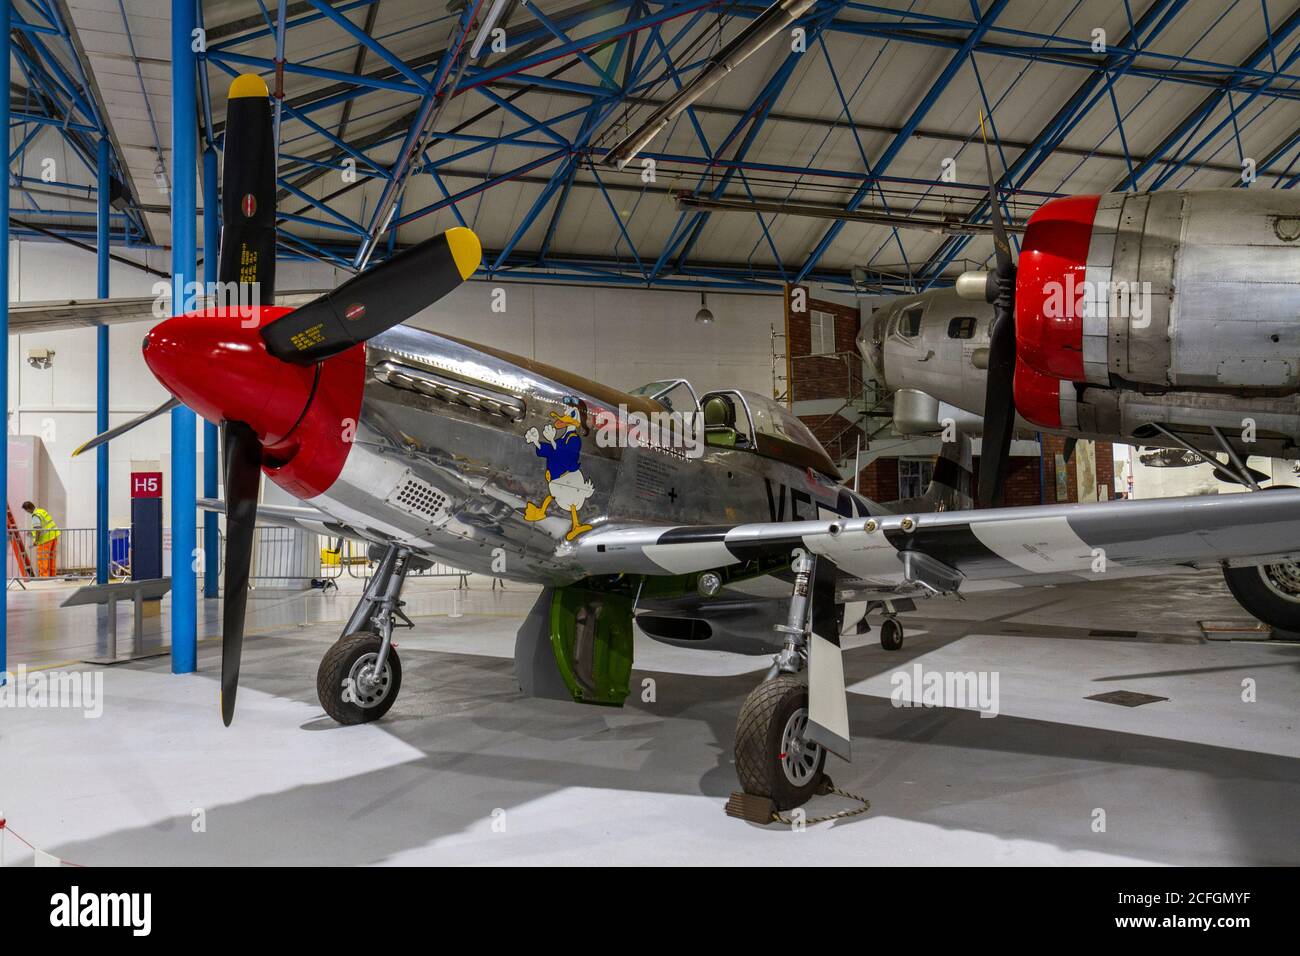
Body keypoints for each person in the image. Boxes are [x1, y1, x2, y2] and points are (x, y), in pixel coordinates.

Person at [21, 500, 60, 577]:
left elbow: (38, 529)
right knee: (52, 558)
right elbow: (45, 524)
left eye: (26, 510)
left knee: (43, 559)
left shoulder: (35, 515)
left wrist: (37, 540)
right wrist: (32, 533)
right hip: (53, 537)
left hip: (45, 540)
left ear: (28, 509)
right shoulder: (41, 511)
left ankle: (44, 577)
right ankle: (52, 576)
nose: (27, 512)